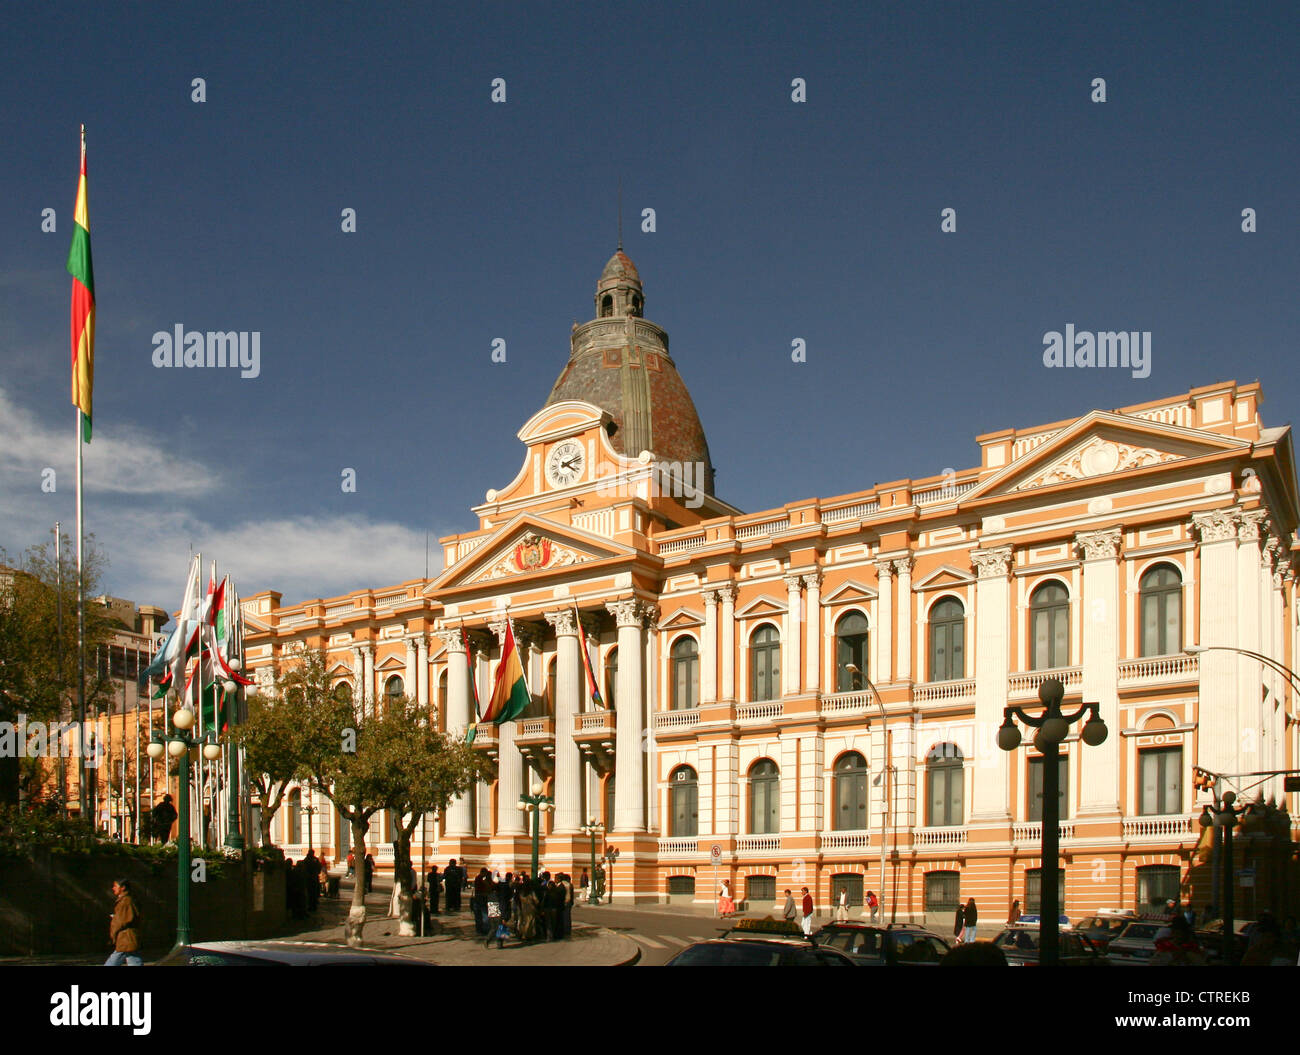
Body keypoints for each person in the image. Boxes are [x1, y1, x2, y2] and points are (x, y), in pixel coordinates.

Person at [105, 879, 143, 966]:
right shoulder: (128, 900)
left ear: (123, 888)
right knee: (133, 959)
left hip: (125, 938)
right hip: (129, 938)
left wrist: (112, 935)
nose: (113, 888)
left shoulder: (125, 901)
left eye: (115, 886)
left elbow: (119, 922)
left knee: (114, 960)